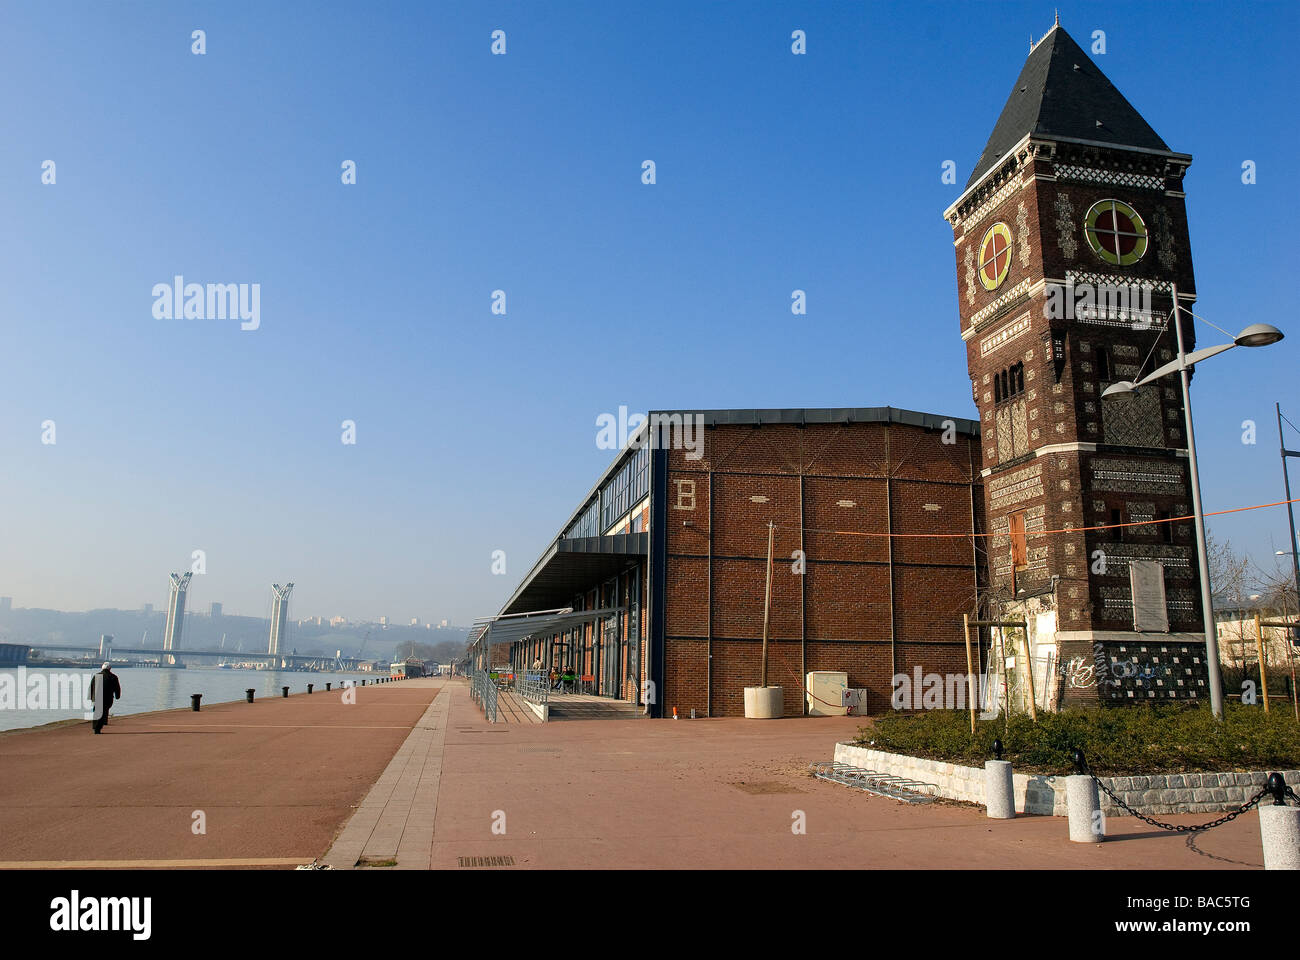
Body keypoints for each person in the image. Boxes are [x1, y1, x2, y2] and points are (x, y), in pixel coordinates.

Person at [88, 662, 121, 734]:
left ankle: (96, 727)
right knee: (104, 711)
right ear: (110, 669)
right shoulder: (113, 677)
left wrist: (91, 697)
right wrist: (117, 696)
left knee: (97, 711)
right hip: (108, 698)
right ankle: (99, 726)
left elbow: (91, 687)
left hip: (97, 697)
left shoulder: (96, 676)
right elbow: (117, 688)